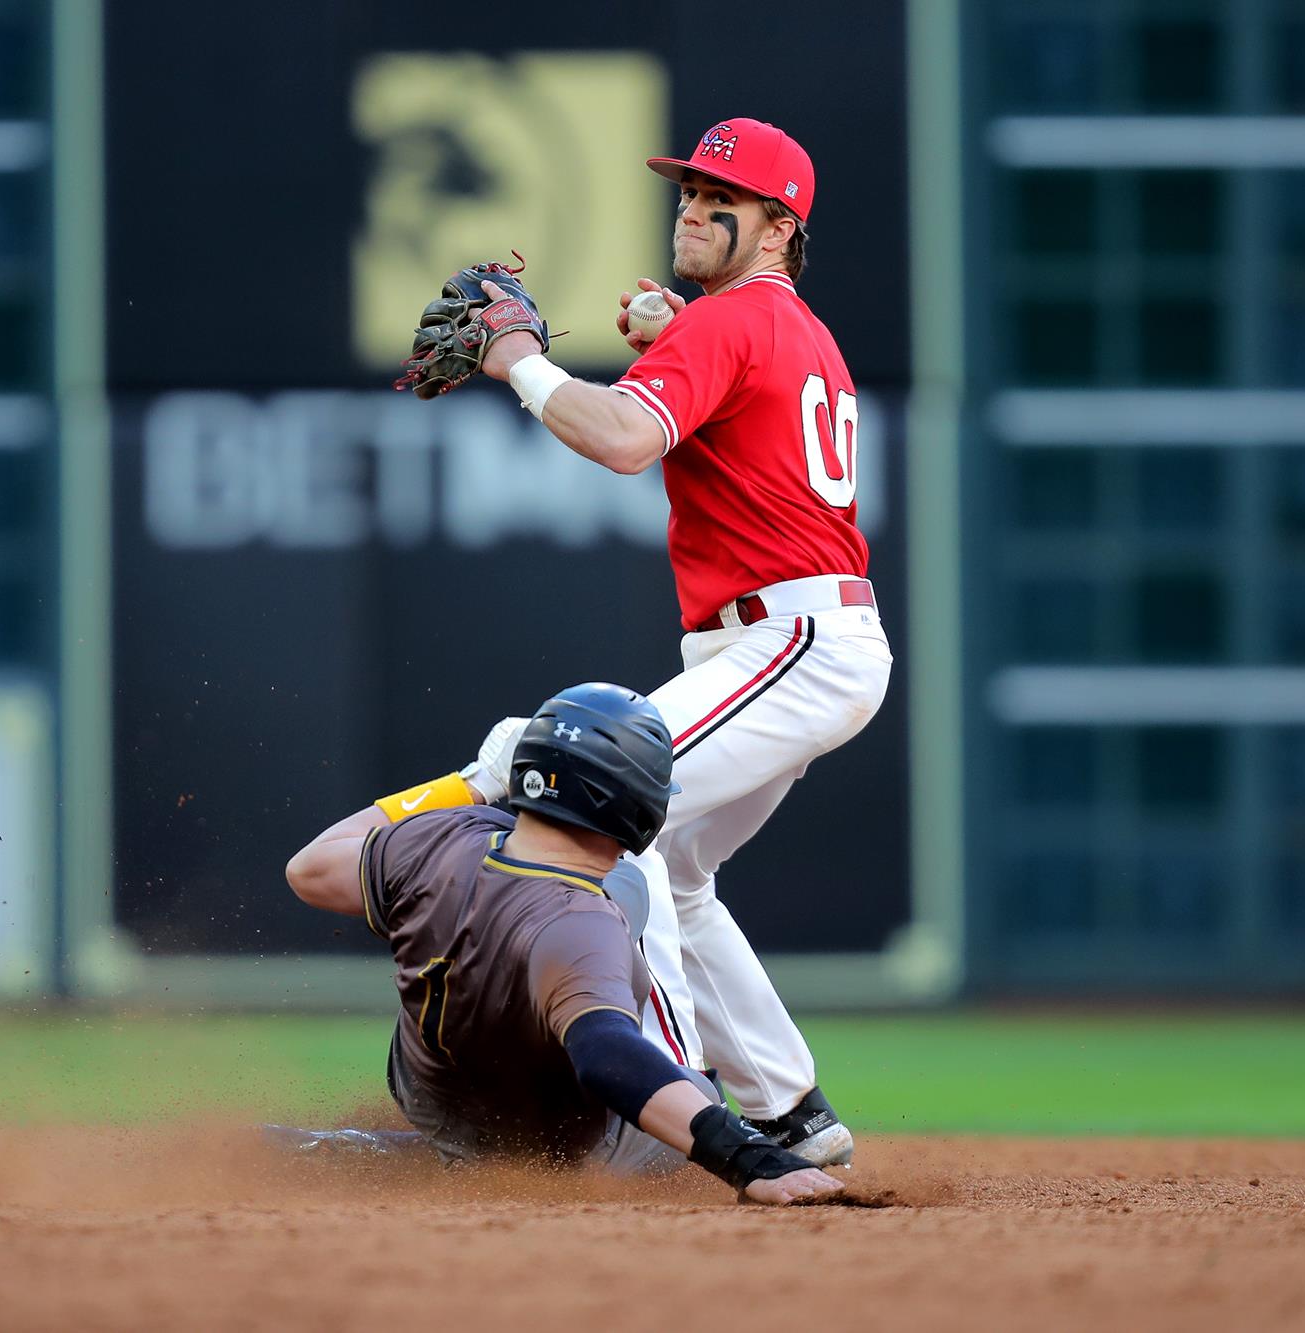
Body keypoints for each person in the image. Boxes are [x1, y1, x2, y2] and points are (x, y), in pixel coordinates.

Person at [463, 118, 895, 1166]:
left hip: (788, 640)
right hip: (794, 640)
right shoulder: (783, 327)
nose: (694, 211)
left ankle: (665, 1105)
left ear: (779, 226)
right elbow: (740, 407)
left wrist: (517, 358)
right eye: (688, 194)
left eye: (724, 201)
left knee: (611, 829)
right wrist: (675, 334)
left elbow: (620, 439)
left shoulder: (726, 322)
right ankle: (792, 1112)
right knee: (681, 869)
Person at [283, 682, 845, 1205]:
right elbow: (607, 1057)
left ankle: (369, 1151)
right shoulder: (584, 923)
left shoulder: (434, 840)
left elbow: (309, 868)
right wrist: (749, 1159)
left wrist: (472, 784)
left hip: (433, 1092)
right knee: (634, 910)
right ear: (633, 805)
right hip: (559, 1144)